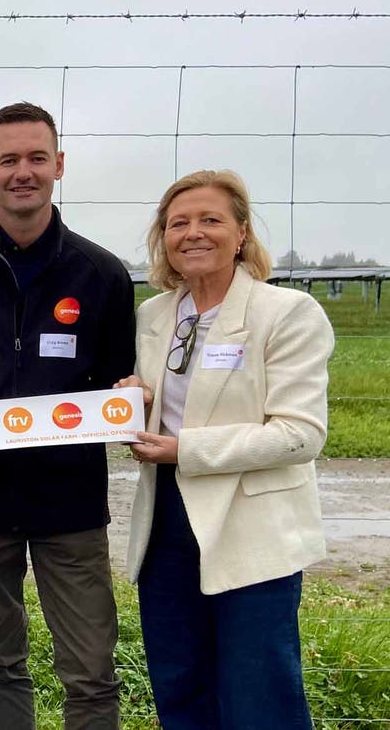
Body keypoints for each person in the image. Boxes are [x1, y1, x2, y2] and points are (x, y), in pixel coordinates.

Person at [0, 102, 133, 729]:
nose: (23, 172)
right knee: (0, 662)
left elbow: (120, 385)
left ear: (59, 165)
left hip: (70, 505)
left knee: (92, 672)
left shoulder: (101, 274)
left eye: (37, 158)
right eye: (8, 159)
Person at [118, 170, 332, 729]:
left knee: (258, 690)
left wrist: (183, 449)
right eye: (178, 223)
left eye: (210, 220)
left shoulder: (285, 313)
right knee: (178, 682)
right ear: (163, 237)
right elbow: (160, 410)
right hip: (167, 521)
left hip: (252, 526)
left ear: (241, 234)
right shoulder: (155, 314)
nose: (193, 233)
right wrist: (131, 405)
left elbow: (300, 434)